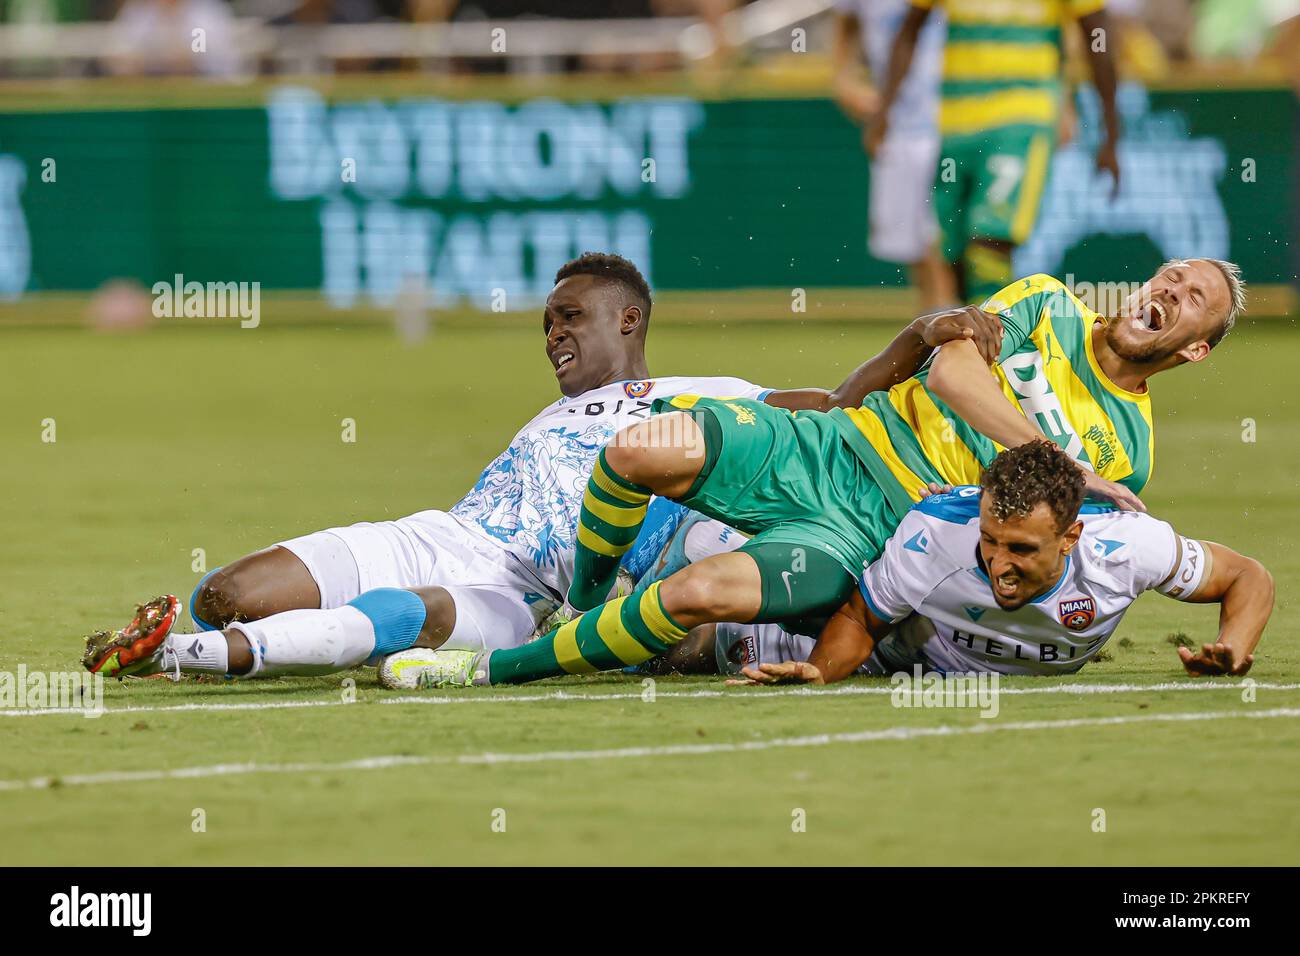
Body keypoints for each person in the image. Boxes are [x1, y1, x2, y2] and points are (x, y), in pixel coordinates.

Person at [82, 253, 1001, 681]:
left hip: (532, 594)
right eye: (547, 324)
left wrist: (921, 334)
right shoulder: (552, 413)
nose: (553, 334)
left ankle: (178, 660)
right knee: (229, 590)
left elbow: (840, 408)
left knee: (405, 621)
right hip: (443, 532)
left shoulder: (713, 394)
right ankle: (200, 630)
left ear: (629, 320)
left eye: (571, 318)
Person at [423, 258, 1244, 689]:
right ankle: (578, 605)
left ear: (1197, 347)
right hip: (829, 443)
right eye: (1171, 275)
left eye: (1194, 296)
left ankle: (492, 668)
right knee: (637, 450)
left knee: (696, 596)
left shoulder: (1130, 450)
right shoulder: (1047, 303)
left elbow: (1044, 544)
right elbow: (954, 371)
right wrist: (1057, 455)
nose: (1170, 289)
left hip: (874, 528)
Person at [722, 442, 1272, 684]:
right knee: (699, 643)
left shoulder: (1128, 547)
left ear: (1070, 537)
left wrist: (1234, 649)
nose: (998, 564)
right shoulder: (936, 536)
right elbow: (861, 620)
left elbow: (1248, 575)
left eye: (1022, 549)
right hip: (897, 655)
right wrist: (819, 671)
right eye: (990, 540)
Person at [870, 0, 1121, 304]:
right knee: (951, 251)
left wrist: (1111, 132)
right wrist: (885, 110)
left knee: (990, 240)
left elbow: (1097, 35)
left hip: (1021, 119)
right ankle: (973, 332)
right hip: (955, 124)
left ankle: (989, 343)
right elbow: (909, 31)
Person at [830, 0, 955, 309]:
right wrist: (845, 81)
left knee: (942, 233)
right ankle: (939, 319)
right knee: (910, 238)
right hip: (899, 124)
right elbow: (845, 24)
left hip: (956, 115)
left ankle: (955, 324)